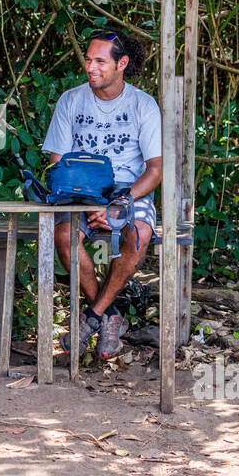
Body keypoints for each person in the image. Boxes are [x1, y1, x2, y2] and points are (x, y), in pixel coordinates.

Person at [42, 29, 162, 361]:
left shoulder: (143, 105)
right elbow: (58, 162)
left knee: (138, 234)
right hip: (81, 193)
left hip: (128, 194)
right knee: (64, 236)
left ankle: (91, 317)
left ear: (121, 63)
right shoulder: (71, 100)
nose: (90, 67)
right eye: (88, 59)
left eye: (99, 61)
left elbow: (155, 170)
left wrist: (118, 205)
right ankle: (107, 315)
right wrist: (87, 201)